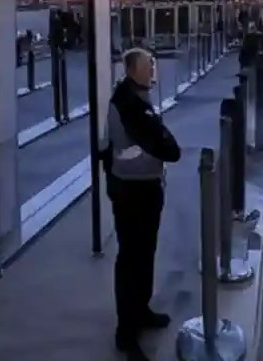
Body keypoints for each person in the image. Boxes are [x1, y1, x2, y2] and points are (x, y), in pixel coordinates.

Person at [102, 48, 182, 361]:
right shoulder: (129, 104)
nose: (153, 70)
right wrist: (164, 140)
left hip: (141, 186)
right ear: (134, 69)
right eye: (149, 65)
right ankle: (126, 330)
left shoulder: (133, 95)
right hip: (132, 190)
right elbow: (164, 145)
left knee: (144, 252)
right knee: (132, 258)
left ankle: (141, 310)